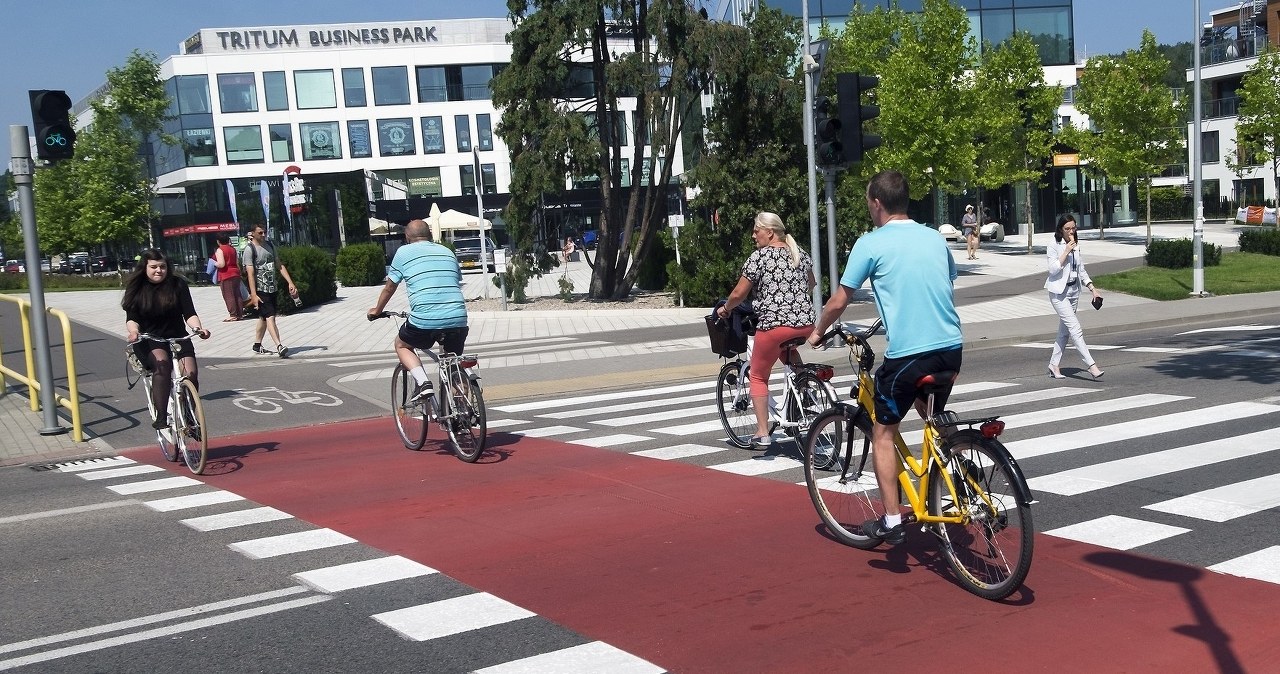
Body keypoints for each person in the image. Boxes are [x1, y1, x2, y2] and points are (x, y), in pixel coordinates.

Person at [807, 170, 963, 546]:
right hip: (952, 347)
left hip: (910, 355)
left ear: (876, 203)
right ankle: (958, 467)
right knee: (931, 413)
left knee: (882, 430)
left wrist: (816, 333)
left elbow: (839, 300)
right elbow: (939, 282)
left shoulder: (870, 243)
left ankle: (892, 520)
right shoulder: (934, 238)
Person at [714, 212, 815, 449]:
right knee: (787, 351)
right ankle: (805, 389)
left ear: (770, 232)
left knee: (759, 375)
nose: (753, 235)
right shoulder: (798, 252)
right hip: (805, 323)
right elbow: (811, 284)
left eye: (756, 230)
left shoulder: (760, 257)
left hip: (774, 325)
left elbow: (739, 294)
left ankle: (762, 432)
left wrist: (726, 309)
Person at [367, 219, 468, 404]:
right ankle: (462, 411)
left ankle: (423, 383)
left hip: (425, 320)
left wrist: (377, 310)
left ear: (407, 237)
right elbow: (455, 281)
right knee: (453, 364)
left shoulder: (403, 252)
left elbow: (390, 287)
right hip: (458, 318)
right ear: (429, 235)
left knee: (402, 344)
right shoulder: (447, 251)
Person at [121, 249, 211, 429]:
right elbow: (132, 318)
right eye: (153, 267)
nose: (158, 270)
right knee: (162, 364)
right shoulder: (137, 288)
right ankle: (162, 416)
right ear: (144, 268)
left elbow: (189, 312)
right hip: (149, 338)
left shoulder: (177, 284)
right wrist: (133, 332)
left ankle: (189, 418)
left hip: (178, 335)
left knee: (191, 375)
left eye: (162, 266)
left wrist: (198, 328)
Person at [1045, 213, 1104, 380]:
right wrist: (1066, 251)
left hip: (1073, 291)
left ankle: (1053, 365)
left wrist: (1092, 288)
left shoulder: (1076, 244)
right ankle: (1092, 366)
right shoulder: (1054, 244)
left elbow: (1081, 269)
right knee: (1075, 329)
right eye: (1067, 229)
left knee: (1064, 332)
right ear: (1061, 229)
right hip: (1058, 293)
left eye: (1073, 228)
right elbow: (1053, 269)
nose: (1071, 231)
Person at [241, 224, 298, 358]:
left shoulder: (270, 246)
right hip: (260, 289)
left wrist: (290, 282)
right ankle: (279, 345)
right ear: (253, 234)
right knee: (270, 316)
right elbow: (250, 273)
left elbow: (279, 265)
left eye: (264, 232)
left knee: (264, 318)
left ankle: (257, 344)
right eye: (260, 233)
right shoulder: (250, 250)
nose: (263, 235)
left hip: (272, 287)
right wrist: (253, 294)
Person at [212, 233, 245, 322]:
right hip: (235, 273)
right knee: (237, 294)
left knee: (229, 295)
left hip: (226, 274)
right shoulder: (232, 249)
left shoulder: (220, 250)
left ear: (218, 241)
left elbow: (221, 264)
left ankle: (233, 315)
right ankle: (240, 314)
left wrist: (214, 263)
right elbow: (237, 262)